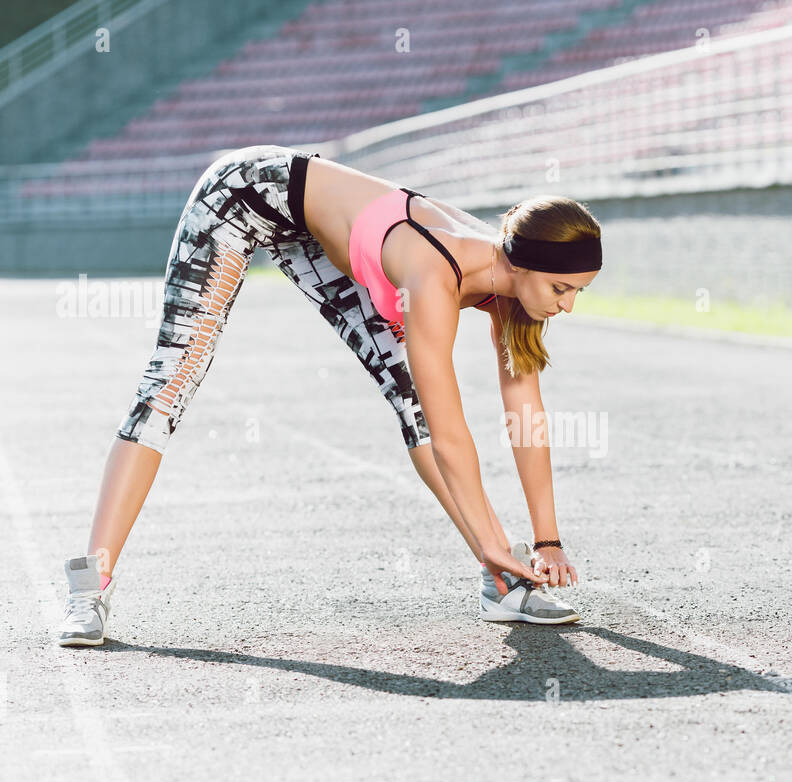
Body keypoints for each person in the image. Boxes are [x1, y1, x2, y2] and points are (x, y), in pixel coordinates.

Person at [57, 144, 601, 647]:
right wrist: (489, 535)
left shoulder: (516, 285)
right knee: (172, 379)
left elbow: (525, 414)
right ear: (523, 265)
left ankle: (503, 581)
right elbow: (449, 429)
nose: (569, 307)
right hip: (245, 194)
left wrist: (548, 538)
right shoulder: (434, 275)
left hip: (322, 233)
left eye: (578, 291)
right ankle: (89, 586)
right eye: (561, 289)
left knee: (412, 402)